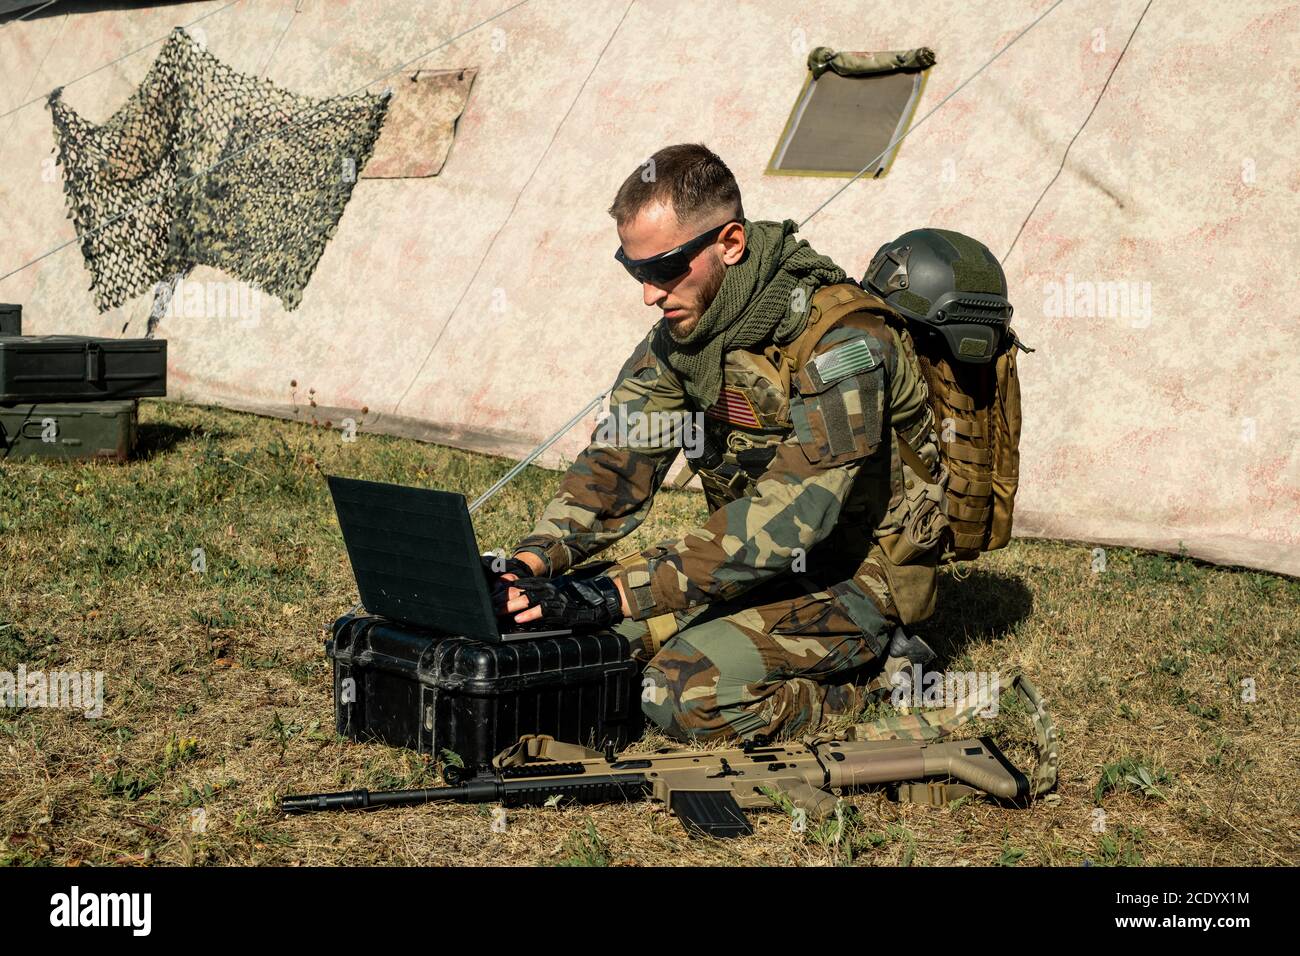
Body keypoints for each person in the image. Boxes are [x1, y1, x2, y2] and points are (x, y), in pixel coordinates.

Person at [489, 143, 945, 742]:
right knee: (571, 644)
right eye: (635, 271)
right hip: (751, 568)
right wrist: (531, 562)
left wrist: (620, 592)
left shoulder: (842, 342)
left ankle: (879, 681)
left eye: (664, 269)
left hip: (858, 576)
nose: (648, 294)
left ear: (730, 243)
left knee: (678, 692)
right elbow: (618, 463)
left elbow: (794, 517)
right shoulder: (686, 337)